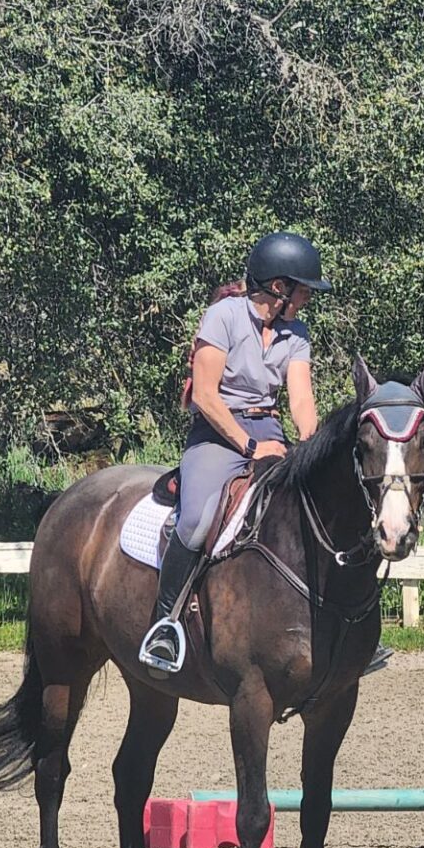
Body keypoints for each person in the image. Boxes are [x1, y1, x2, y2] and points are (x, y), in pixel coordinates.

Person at [138, 232, 328, 676]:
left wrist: (311, 441)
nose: (307, 300)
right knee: (198, 518)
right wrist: (247, 446)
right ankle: (165, 625)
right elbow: (205, 394)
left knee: (309, 513)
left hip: (269, 429)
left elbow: (300, 397)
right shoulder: (223, 316)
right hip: (217, 434)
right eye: (302, 290)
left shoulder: (295, 333)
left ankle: (330, 630)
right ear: (278, 288)